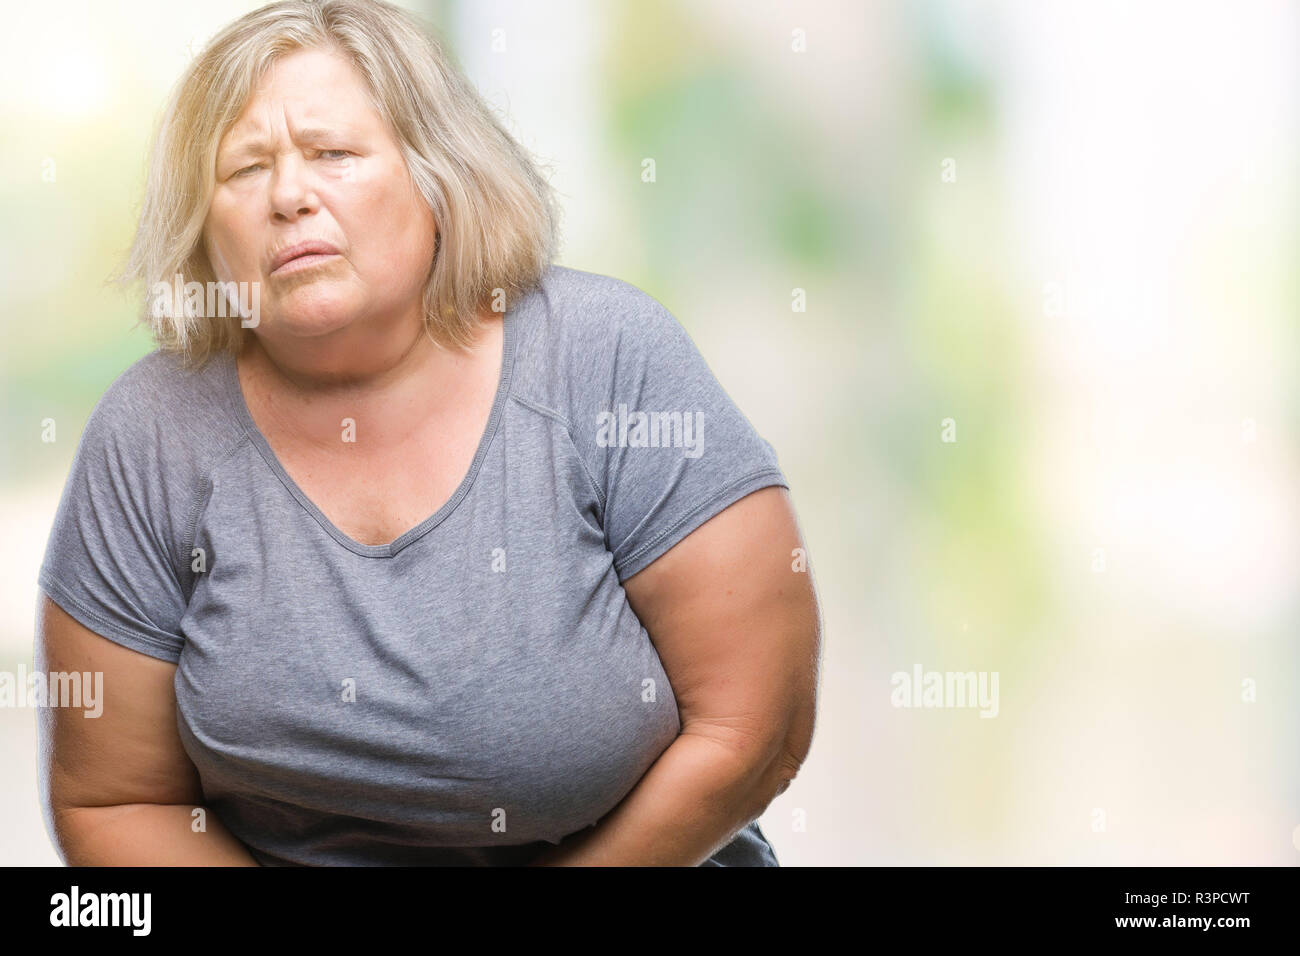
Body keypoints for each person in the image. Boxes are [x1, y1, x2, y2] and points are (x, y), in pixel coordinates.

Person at [34, 0, 820, 866]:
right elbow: (116, 799)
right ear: (204, 229)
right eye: (245, 170)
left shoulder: (606, 357)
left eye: (332, 154)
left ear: (438, 175)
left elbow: (756, 726)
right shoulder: (150, 433)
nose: (290, 196)